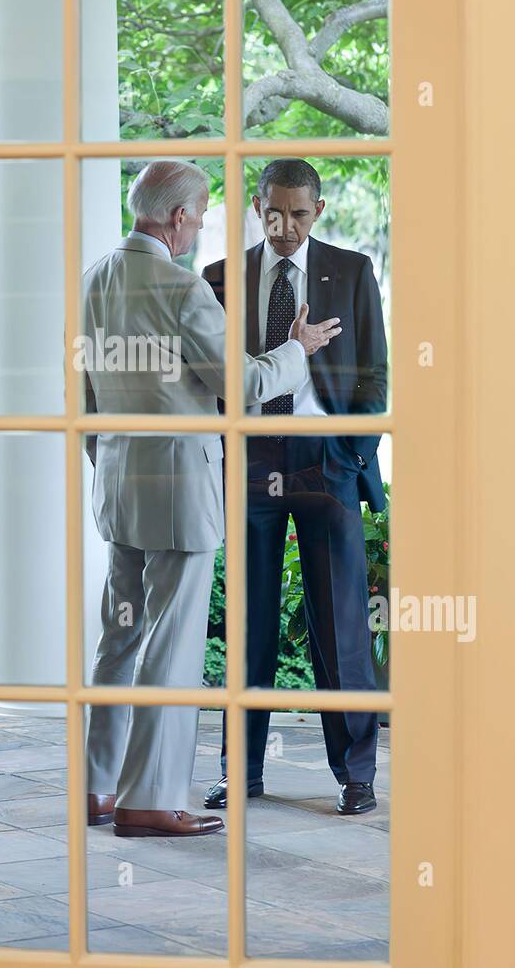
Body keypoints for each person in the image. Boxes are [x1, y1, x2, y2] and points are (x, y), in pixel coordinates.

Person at [82, 159, 341, 837]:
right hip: (179, 488)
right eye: (198, 215)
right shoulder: (179, 287)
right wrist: (295, 348)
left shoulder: (94, 279)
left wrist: (107, 461)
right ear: (174, 216)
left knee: (119, 638)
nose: (200, 227)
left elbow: (82, 395)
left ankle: (97, 787)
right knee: (169, 644)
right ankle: (150, 800)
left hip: (116, 483)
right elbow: (245, 386)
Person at [202, 158, 388, 815]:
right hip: (251, 458)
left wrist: (347, 450)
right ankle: (241, 770)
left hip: (325, 460)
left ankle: (356, 775)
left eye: (299, 214)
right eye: (274, 212)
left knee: (341, 625)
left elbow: (374, 379)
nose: (285, 226)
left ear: (318, 210)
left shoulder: (353, 270)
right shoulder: (220, 279)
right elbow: (209, 379)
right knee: (246, 623)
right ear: (257, 206)